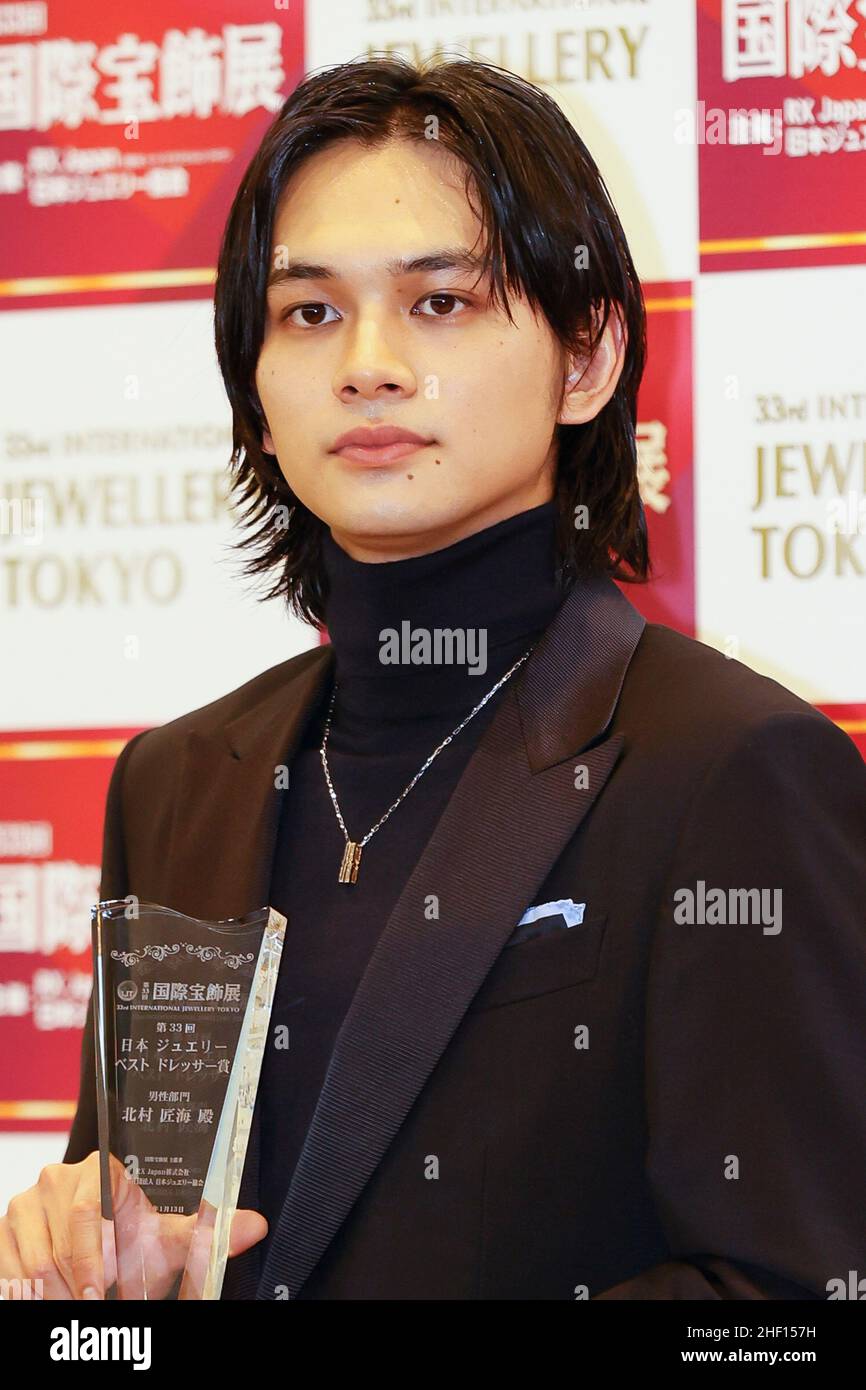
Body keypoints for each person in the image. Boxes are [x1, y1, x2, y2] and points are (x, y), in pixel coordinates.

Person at [2, 55, 865, 1302]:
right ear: (253, 391)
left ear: (587, 356)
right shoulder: (175, 781)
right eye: (308, 313)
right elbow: (131, 1303)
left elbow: (786, 1304)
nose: (368, 363)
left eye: (441, 302)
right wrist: (76, 1288)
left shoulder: (727, 769)